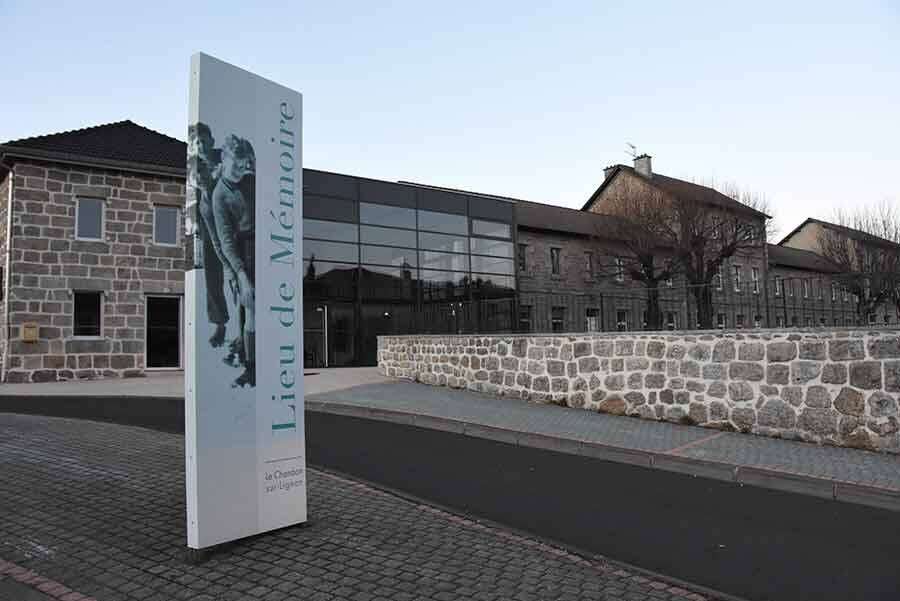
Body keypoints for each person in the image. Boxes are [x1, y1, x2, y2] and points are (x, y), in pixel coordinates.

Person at [212, 135, 256, 388]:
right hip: (242, 252)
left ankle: (249, 356)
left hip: (263, 245)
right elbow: (226, 241)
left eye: (244, 165)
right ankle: (250, 369)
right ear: (224, 159)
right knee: (250, 308)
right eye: (236, 166)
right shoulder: (219, 195)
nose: (240, 170)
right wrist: (240, 274)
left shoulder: (250, 180)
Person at [188, 123, 230, 348]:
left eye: (205, 141)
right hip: (207, 223)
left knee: (240, 271)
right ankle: (220, 323)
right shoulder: (193, 165)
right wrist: (193, 222)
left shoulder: (224, 156)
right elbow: (192, 196)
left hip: (231, 221)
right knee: (212, 275)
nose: (201, 145)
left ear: (212, 141)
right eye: (197, 142)